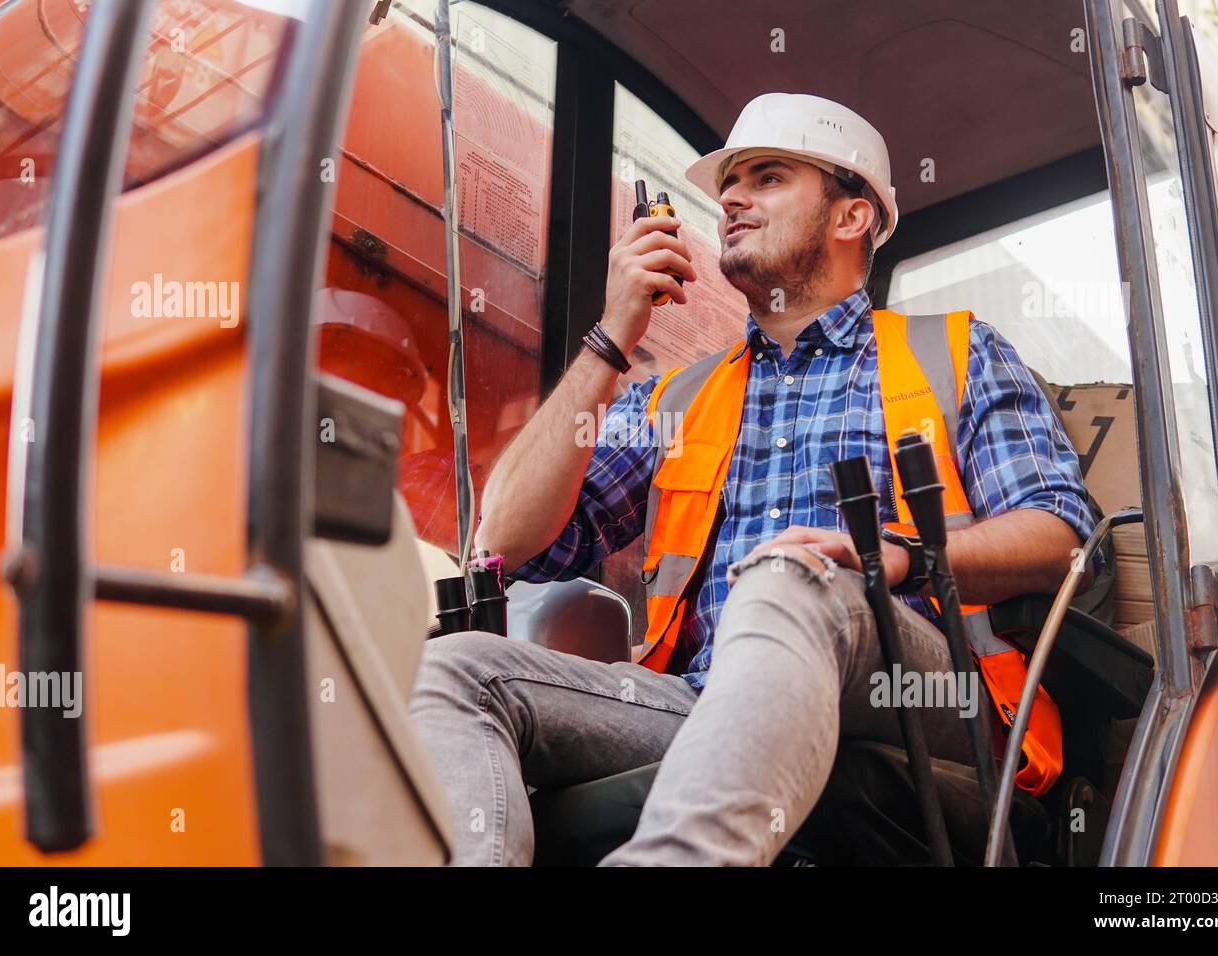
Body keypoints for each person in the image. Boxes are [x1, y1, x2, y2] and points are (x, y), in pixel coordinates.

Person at [410, 92, 1098, 866]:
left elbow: (1063, 535)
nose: (731, 199)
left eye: (767, 177)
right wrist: (611, 338)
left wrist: (892, 556)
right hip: (712, 701)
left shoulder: (958, 352)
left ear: (852, 217)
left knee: (788, 574)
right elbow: (504, 542)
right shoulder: (680, 396)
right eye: (729, 186)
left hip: (923, 694)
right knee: (455, 670)